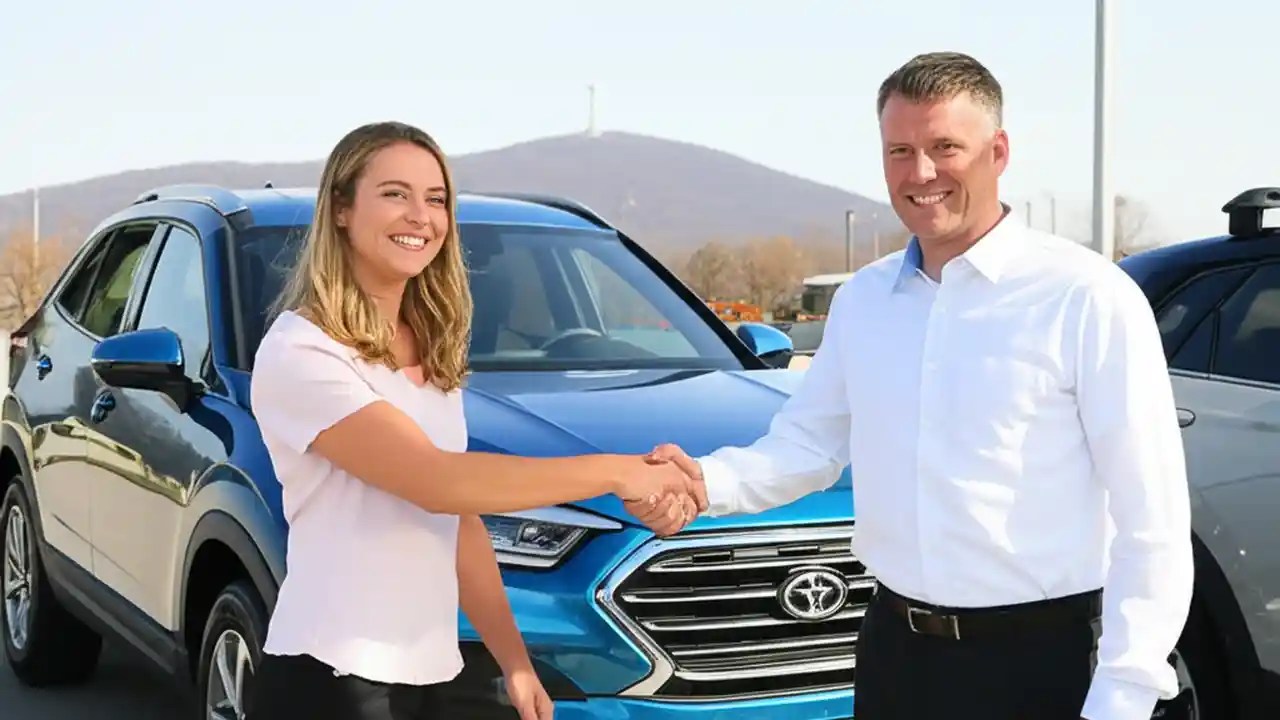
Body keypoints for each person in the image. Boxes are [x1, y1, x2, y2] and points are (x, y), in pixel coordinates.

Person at [641, 52, 1193, 720]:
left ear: (999, 151)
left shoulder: (1086, 296)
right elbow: (810, 445)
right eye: (900, 150)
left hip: (1044, 667)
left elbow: (1152, 518)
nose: (921, 173)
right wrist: (703, 481)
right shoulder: (864, 300)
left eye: (945, 147)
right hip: (895, 658)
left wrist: (1125, 692)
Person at [243, 121, 702, 720]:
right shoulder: (302, 350)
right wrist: (619, 473)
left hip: (433, 674)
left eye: (436, 199)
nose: (420, 216)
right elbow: (437, 482)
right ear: (340, 211)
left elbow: (462, 522)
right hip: (334, 674)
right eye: (394, 194)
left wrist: (513, 661)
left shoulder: (431, 349)